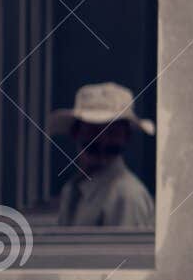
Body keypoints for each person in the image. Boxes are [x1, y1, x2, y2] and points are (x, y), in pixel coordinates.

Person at [48, 82, 155, 227]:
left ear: (126, 137)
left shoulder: (126, 197)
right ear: (75, 132)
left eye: (113, 132)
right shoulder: (72, 190)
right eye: (93, 130)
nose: (102, 141)